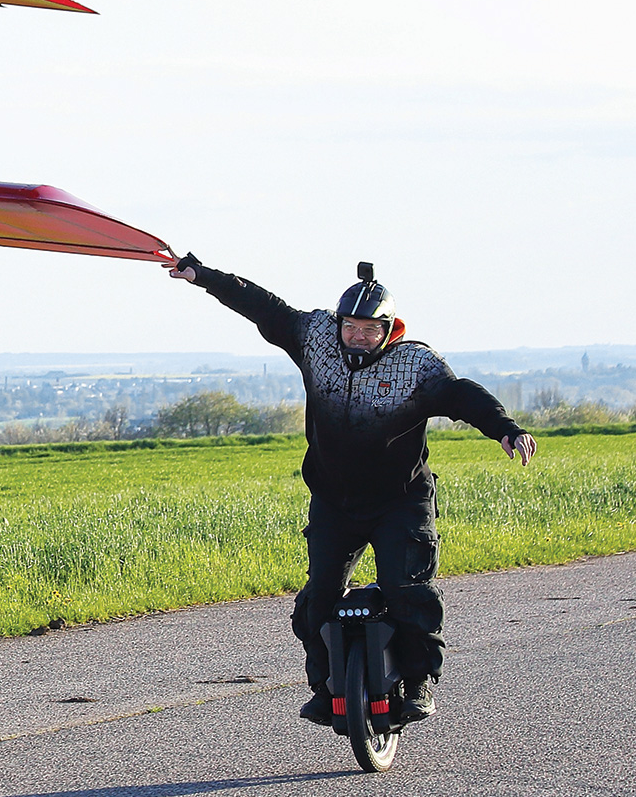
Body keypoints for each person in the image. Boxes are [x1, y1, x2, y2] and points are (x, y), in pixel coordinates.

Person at [168, 254, 537, 726]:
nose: (358, 337)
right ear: (339, 323)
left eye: (370, 330)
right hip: (334, 502)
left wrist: (505, 428)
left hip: (400, 501)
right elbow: (263, 306)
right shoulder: (316, 340)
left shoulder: (416, 366)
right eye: (351, 327)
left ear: (390, 330)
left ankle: (420, 683)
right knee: (318, 599)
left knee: (409, 592)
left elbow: (464, 395)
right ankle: (326, 689)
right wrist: (203, 277)